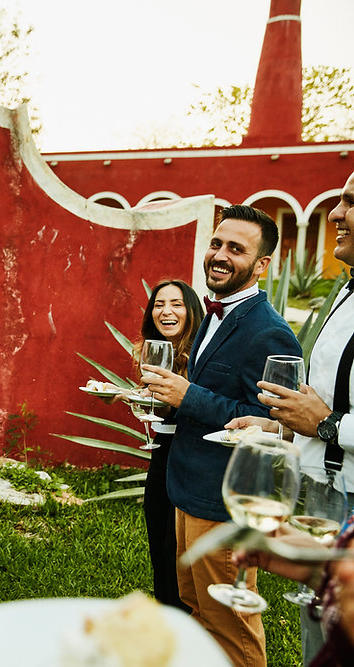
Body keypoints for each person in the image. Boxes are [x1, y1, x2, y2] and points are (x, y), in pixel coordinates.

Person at [143, 204, 302, 667]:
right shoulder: (211, 312)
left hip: (225, 503)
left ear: (261, 264)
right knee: (196, 612)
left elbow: (275, 424)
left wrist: (186, 395)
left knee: (231, 627)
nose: (220, 255)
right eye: (216, 243)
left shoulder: (270, 333)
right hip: (186, 491)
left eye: (236, 248)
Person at [227, 170, 354, 665]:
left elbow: (330, 417)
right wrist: (279, 425)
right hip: (323, 495)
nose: (336, 214)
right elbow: (327, 401)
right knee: (318, 641)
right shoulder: (345, 292)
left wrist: (326, 426)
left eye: (350, 202)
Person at [133, 280, 203, 611]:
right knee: (159, 542)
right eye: (159, 304)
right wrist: (133, 399)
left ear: (191, 311)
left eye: (176, 304)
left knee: (178, 549)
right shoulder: (155, 352)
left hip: (191, 458)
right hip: (162, 453)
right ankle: (166, 614)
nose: (166, 311)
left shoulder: (202, 356)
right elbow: (161, 410)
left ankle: (185, 619)